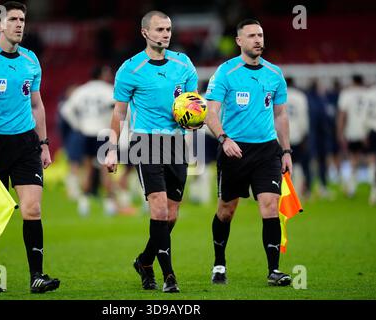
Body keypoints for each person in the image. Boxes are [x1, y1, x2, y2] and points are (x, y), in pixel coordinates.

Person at [0, 1, 59, 293]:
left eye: (22, 19)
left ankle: (37, 277)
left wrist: (44, 144)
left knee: (32, 209)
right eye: (14, 19)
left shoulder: (31, 60)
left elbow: (37, 105)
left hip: (26, 143)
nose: (19, 24)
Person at [105, 10, 198, 293]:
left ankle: (145, 261)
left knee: (171, 216)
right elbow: (119, 112)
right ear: (145, 32)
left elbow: (193, 104)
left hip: (177, 143)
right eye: (159, 30)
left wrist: (195, 120)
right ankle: (168, 276)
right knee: (157, 208)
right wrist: (111, 149)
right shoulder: (130, 69)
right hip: (145, 143)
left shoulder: (184, 64)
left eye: (168, 29)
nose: (165, 34)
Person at [205, 19, 292, 286]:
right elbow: (210, 112)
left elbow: (281, 115)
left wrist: (286, 150)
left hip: (267, 151)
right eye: (252, 35)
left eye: (261, 35)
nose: (258, 40)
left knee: (270, 206)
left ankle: (274, 270)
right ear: (239, 41)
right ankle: (219, 263)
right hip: (234, 150)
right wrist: (223, 139)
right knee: (226, 211)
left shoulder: (274, 74)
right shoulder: (226, 72)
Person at [60, 65, 117, 216]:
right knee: (106, 170)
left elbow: (66, 110)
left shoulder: (81, 90)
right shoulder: (108, 89)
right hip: (102, 133)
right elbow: (120, 109)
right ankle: (109, 204)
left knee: (87, 168)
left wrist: (78, 125)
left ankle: (84, 203)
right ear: (101, 75)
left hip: (85, 133)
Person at [337, 75, 368, 197]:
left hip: (352, 131)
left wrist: (340, 132)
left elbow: (342, 114)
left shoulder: (346, 94)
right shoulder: (368, 93)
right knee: (369, 158)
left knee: (352, 159)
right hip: (367, 131)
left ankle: (351, 187)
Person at [286, 77, 311, 199]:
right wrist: (304, 134)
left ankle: (282, 192)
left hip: (279, 136)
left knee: (279, 164)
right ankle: (297, 192)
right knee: (297, 163)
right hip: (296, 134)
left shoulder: (278, 95)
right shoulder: (300, 96)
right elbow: (303, 118)